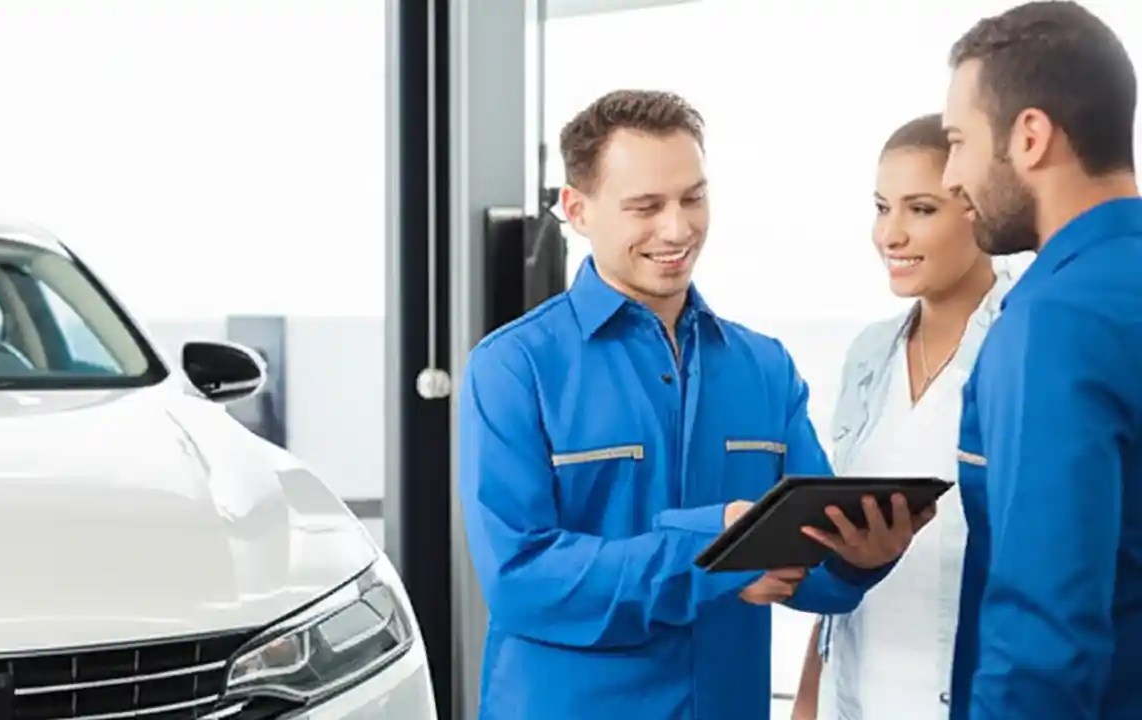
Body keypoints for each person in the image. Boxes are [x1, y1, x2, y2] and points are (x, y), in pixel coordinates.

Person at [457, 89, 934, 720]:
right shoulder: (513, 368)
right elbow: (520, 579)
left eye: (693, 198)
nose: (678, 229)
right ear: (577, 209)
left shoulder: (764, 368)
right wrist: (713, 551)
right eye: (646, 206)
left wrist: (858, 563)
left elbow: (811, 576)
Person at [939, 2, 1142, 718]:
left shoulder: (1053, 323)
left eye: (958, 141)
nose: (952, 175)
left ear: (1030, 136)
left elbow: (1045, 641)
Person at [788, 114, 1015, 720]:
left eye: (920, 209)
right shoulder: (871, 354)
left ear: (979, 210)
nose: (890, 234)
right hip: (855, 696)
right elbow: (842, 544)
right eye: (882, 208)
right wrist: (807, 702)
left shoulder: (1023, 345)